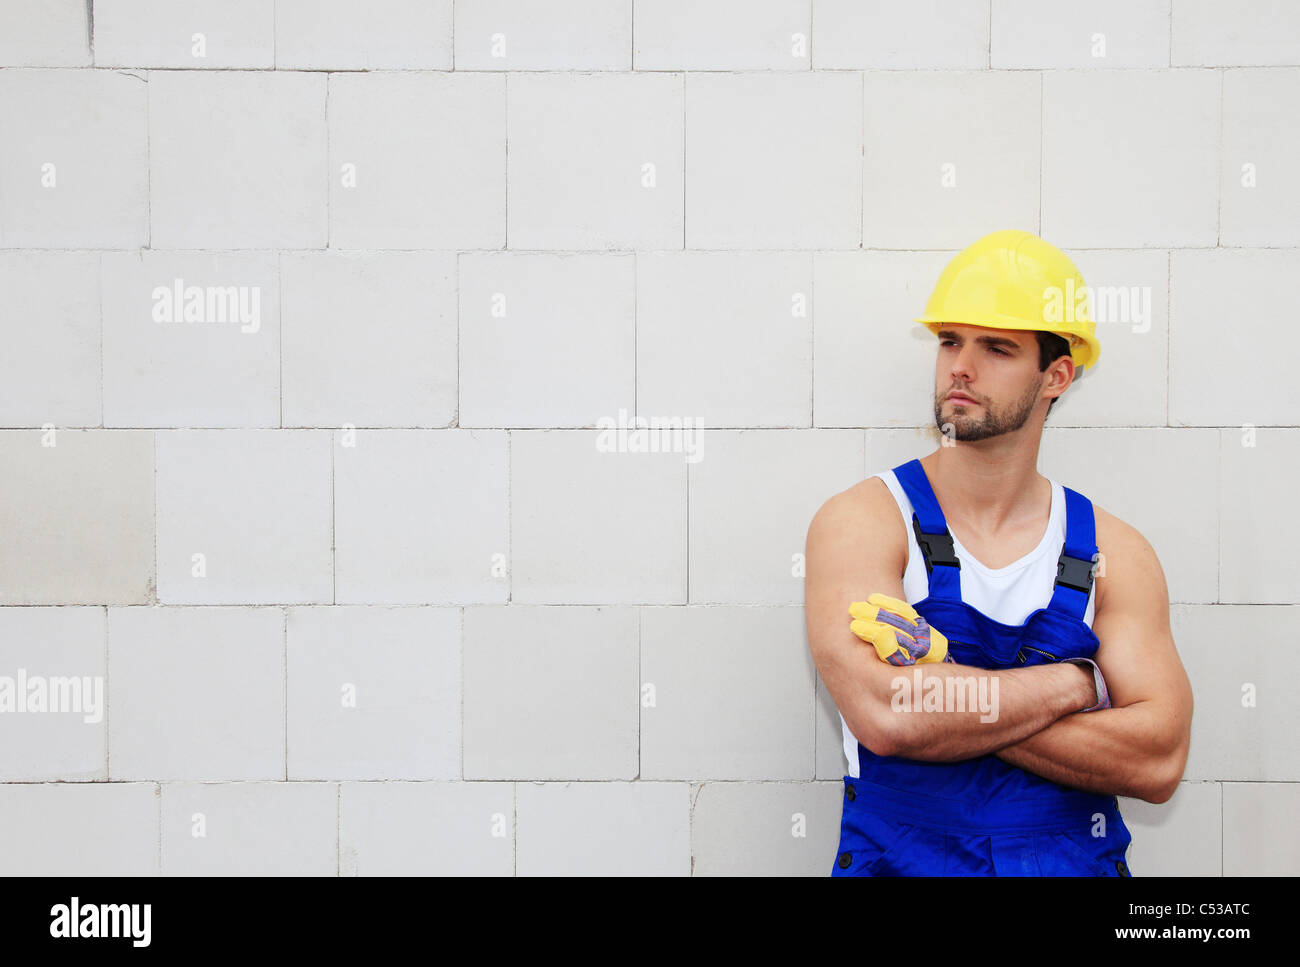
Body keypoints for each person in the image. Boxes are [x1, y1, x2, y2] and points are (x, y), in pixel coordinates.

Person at [804, 230, 1193, 876]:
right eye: (950, 340)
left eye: (997, 348)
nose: (961, 365)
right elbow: (886, 714)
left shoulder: (1115, 553)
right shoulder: (865, 522)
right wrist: (1076, 684)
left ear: (1057, 375)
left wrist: (948, 691)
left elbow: (1157, 759)